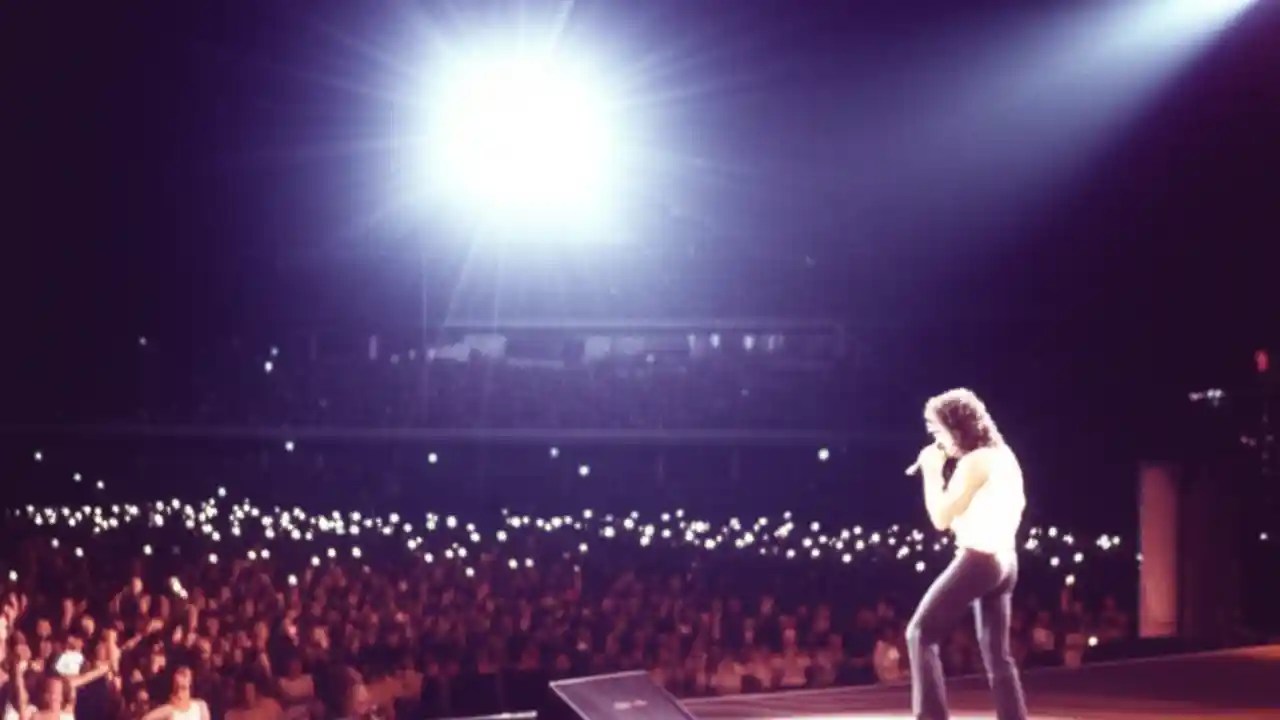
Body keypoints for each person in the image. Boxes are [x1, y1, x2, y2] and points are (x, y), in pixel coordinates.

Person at [906, 388, 1028, 720]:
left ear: (956, 429)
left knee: (920, 634)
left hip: (981, 560)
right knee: (998, 656)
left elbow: (941, 519)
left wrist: (932, 470)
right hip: (1007, 562)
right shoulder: (1003, 454)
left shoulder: (975, 462)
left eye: (937, 432)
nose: (936, 440)